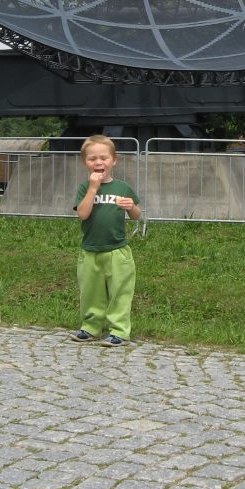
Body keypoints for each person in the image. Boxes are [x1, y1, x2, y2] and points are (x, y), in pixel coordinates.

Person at [71, 134, 141, 346]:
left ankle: (119, 331)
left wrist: (132, 208)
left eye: (104, 157)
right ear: (85, 163)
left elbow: (136, 215)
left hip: (117, 250)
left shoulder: (122, 187)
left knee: (120, 291)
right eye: (92, 159)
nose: (98, 162)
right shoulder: (85, 188)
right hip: (90, 251)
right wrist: (93, 188)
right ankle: (91, 327)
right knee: (91, 292)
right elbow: (82, 214)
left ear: (114, 160)